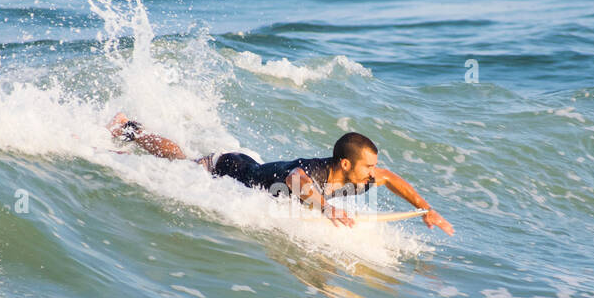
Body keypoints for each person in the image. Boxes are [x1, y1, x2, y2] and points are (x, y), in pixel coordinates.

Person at [108, 111, 454, 234]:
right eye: (368, 166)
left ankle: (131, 134)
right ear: (345, 164)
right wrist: (328, 209)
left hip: (253, 171)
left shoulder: (359, 178)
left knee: (180, 159)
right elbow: (295, 181)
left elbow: (392, 178)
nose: (372, 174)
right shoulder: (315, 174)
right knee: (179, 163)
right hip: (228, 169)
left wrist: (426, 208)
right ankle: (130, 130)